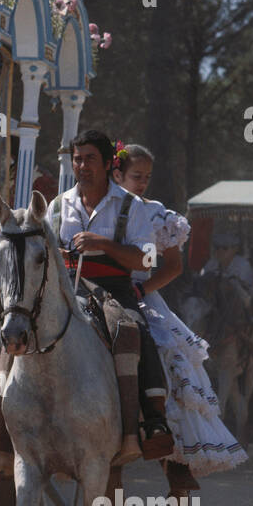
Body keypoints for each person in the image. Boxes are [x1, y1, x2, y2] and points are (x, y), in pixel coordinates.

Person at [112, 143, 247, 480]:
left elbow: (172, 268)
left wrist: (141, 288)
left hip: (139, 296)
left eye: (146, 177)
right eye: (135, 176)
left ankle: (161, 425)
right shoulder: (99, 209)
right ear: (117, 175)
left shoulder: (157, 213)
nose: (142, 183)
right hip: (93, 289)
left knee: (162, 350)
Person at [54, 130, 174, 461]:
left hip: (114, 290)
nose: (82, 166)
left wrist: (104, 245)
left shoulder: (132, 207)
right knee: (22, 325)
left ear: (109, 163)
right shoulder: (56, 206)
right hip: (66, 288)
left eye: (90, 159)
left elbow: (147, 261)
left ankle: (153, 420)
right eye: (77, 158)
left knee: (133, 329)